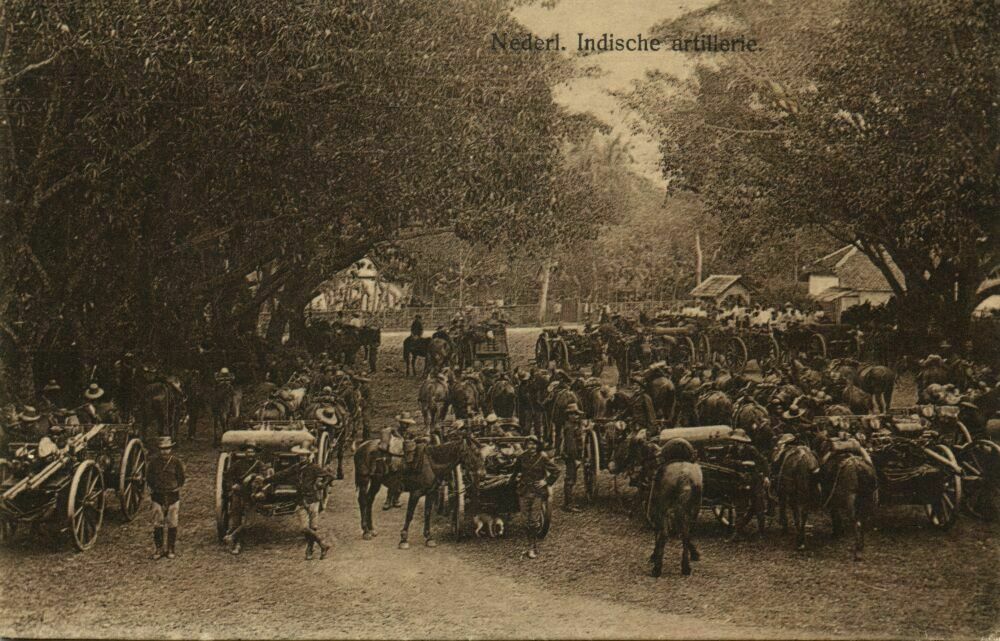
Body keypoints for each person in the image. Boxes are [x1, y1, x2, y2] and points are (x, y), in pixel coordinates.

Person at [270, 442, 335, 560]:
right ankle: (322, 543)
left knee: (313, 527)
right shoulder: (296, 468)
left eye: (304, 455)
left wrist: (321, 485)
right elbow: (282, 474)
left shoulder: (314, 468)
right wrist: (267, 480)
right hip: (301, 500)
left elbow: (330, 476)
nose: (302, 457)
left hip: (313, 499)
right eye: (300, 455)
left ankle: (309, 551)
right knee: (304, 528)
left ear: (309, 456)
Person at [510, 434, 560, 559]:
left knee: (533, 521)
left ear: (538, 445)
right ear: (526, 445)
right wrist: (512, 481)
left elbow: (556, 471)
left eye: (534, 444)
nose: (531, 446)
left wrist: (546, 481)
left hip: (538, 492)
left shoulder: (542, 458)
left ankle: (532, 547)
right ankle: (530, 545)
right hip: (524, 491)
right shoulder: (522, 457)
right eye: (529, 444)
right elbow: (515, 472)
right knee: (526, 521)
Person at [147, 436, 186, 560]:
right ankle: (159, 549)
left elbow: (181, 478)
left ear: (171, 449)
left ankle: (170, 549)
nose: (165, 451)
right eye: (163, 449)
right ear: (159, 450)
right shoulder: (153, 462)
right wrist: (154, 488)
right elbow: (149, 478)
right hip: (157, 495)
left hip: (172, 495)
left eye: (167, 449)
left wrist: (176, 487)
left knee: (172, 522)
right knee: (158, 522)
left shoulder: (176, 462)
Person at [561, 402, 586, 513]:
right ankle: (568, 504)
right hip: (571, 457)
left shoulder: (573, 425)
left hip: (572, 456)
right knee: (570, 479)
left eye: (577, 414)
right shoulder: (570, 428)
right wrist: (575, 459)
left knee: (571, 479)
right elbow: (571, 446)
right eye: (574, 414)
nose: (576, 417)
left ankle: (569, 502)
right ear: (569, 416)